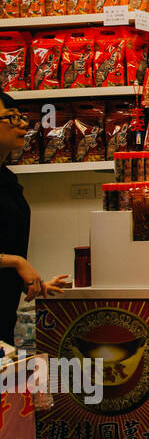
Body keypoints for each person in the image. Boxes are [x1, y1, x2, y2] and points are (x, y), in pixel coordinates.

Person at [0, 92, 70, 345]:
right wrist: (15, 262)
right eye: (10, 118)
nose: (22, 124)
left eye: (21, 116)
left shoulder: (7, 179)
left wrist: (35, 283)